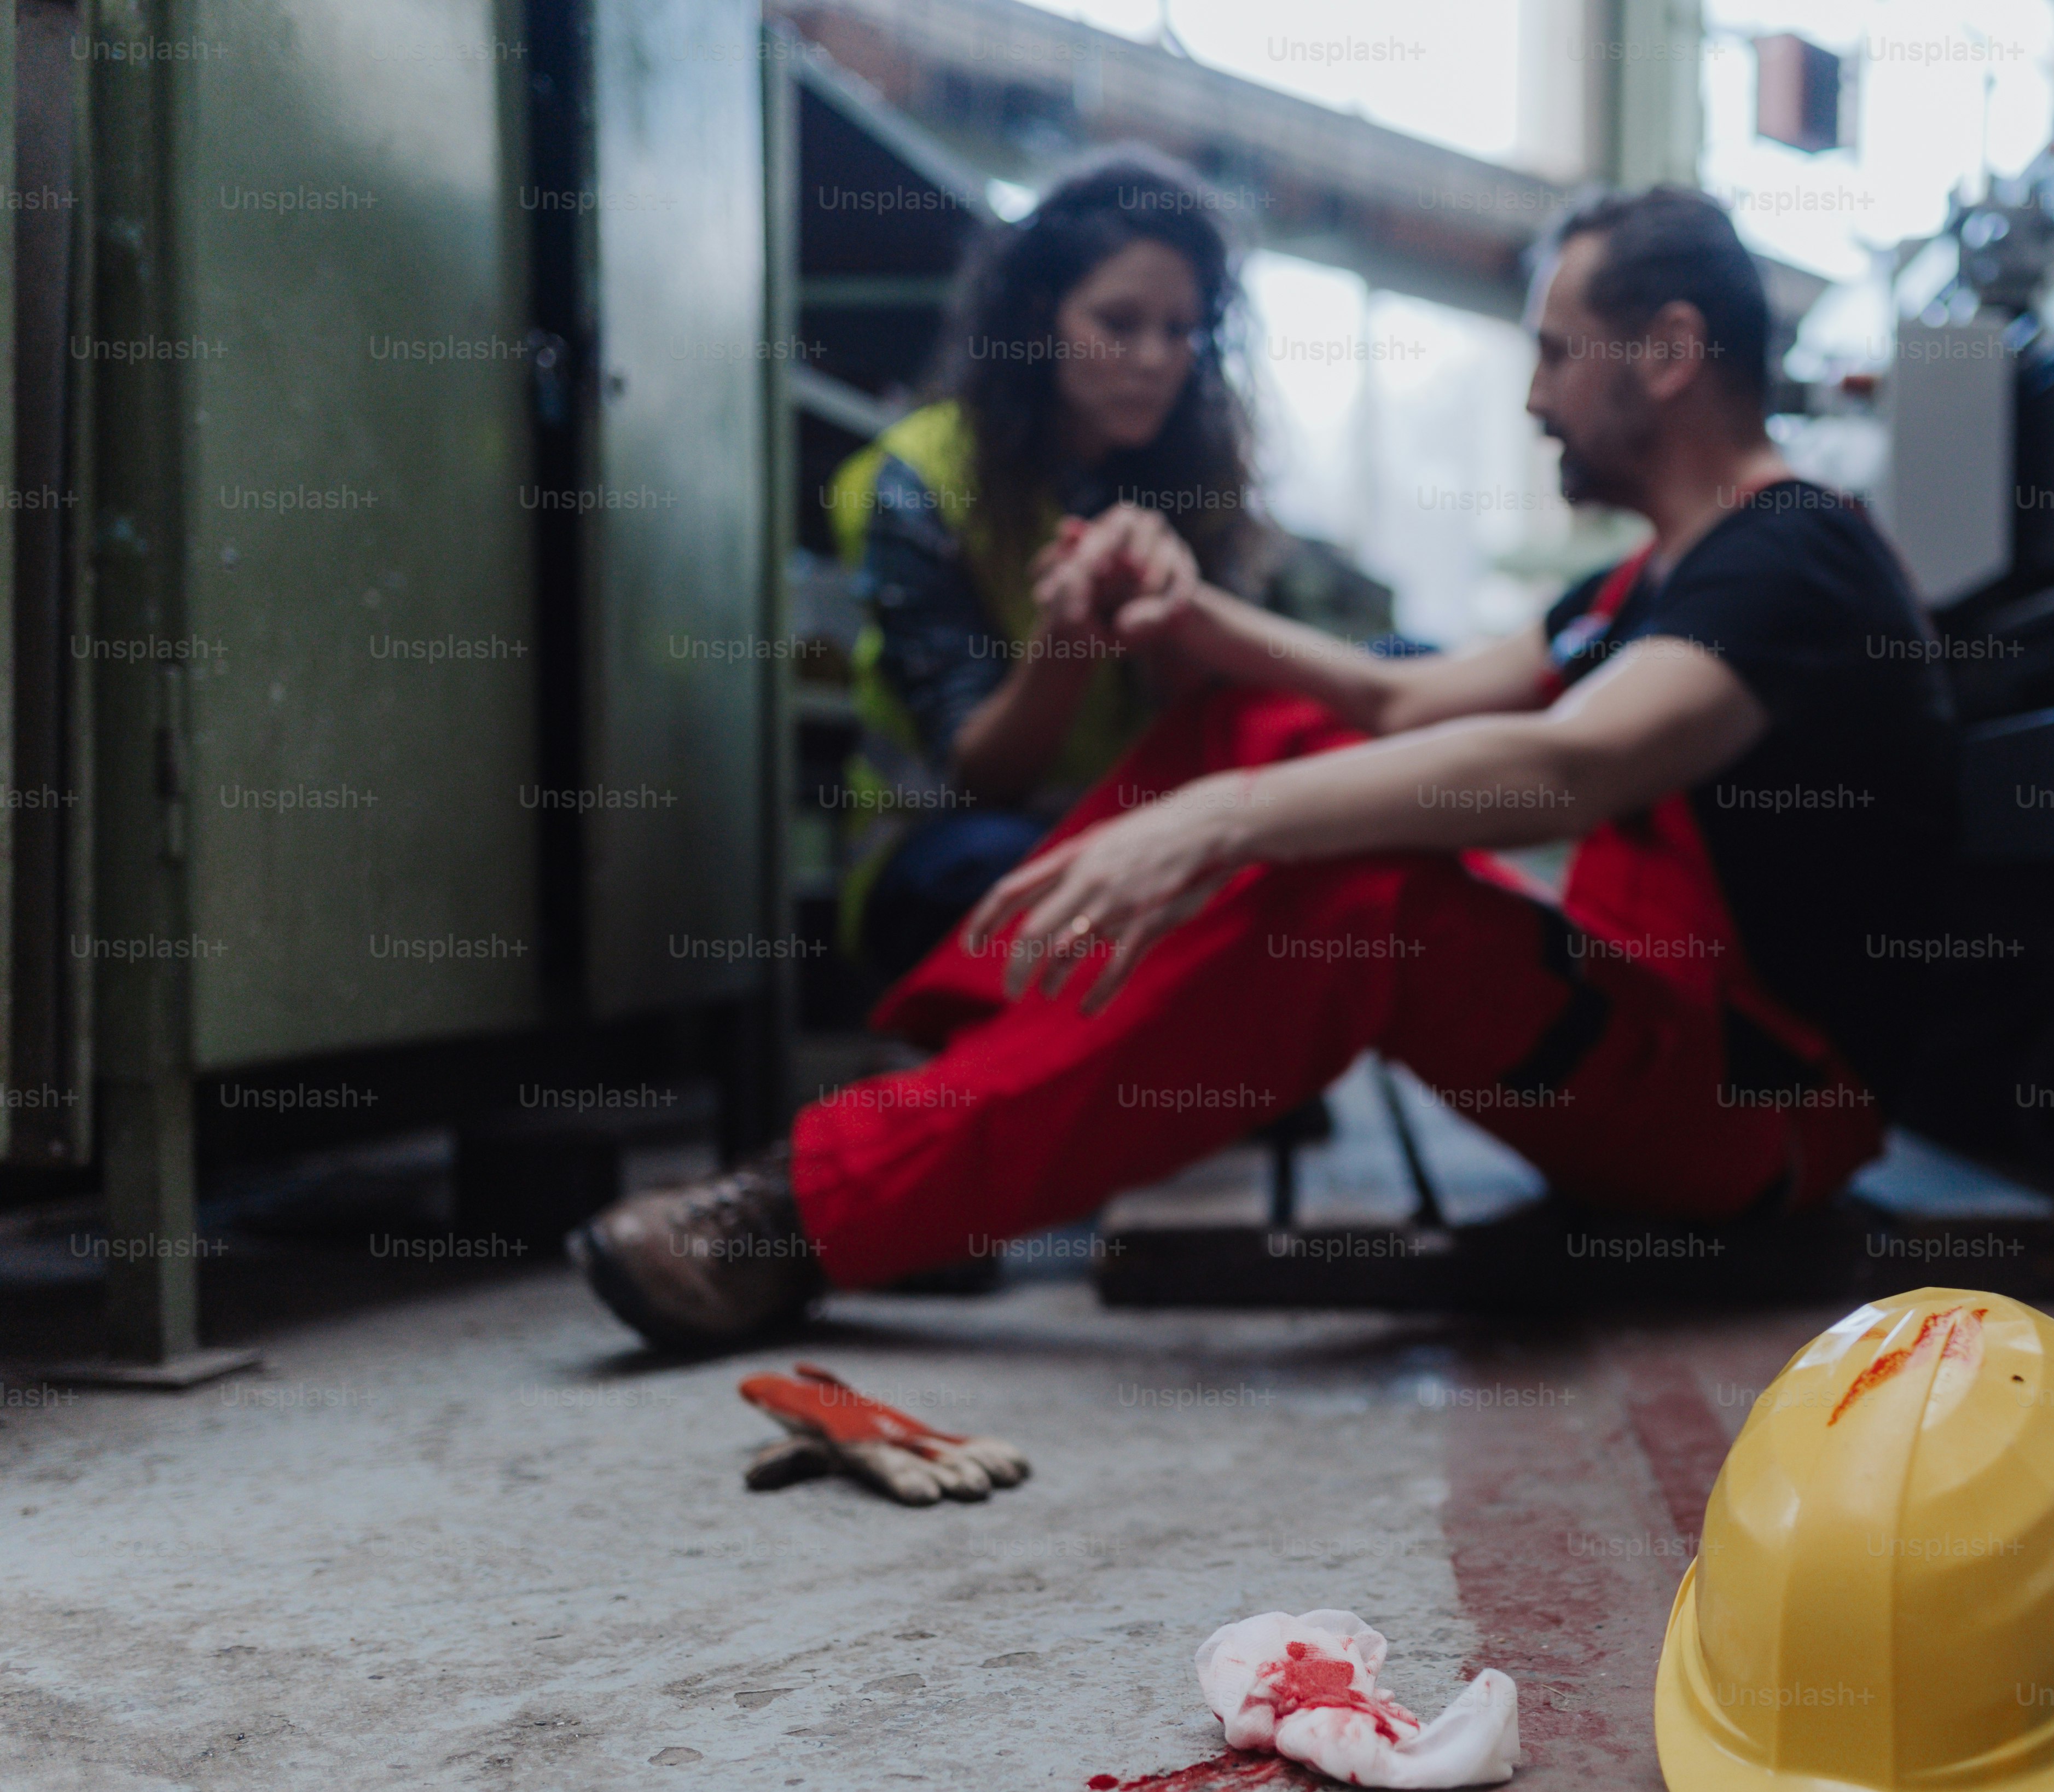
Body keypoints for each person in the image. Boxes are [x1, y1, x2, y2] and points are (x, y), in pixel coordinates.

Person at [575, 185, 1959, 1349]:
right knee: (1260, 728)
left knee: (1351, 901)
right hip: (1651, 1024)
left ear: (1666, 351)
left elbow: (1568, 768)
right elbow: (1390, 694)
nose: (1536, 397)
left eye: (1553, 352)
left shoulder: (1790, 559)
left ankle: (804, 1211)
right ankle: (988, 1057)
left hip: (1757, 1108)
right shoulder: (1657, 576)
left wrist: (1223, 826)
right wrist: (1187, 619)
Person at [827, 148, 1255, 984]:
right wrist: (1070, 638)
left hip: (1135, 832)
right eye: (1119, 323)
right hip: (948, 850)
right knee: (1013, 869)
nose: (1156, 359)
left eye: (1181, 331)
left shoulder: (1194, 486)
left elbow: (1216, 729)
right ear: (1036, 315)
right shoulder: (922, 479)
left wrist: (1179, 627)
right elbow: (982, 777)